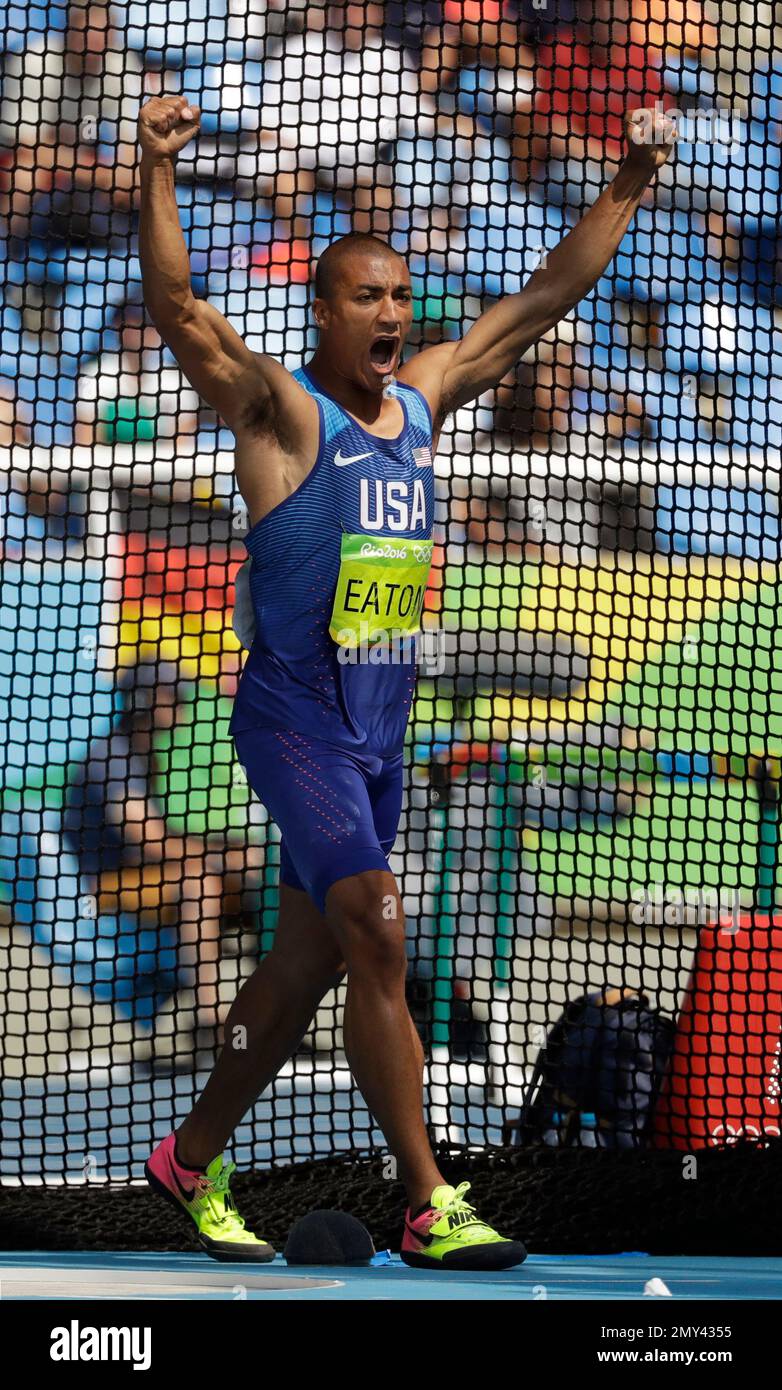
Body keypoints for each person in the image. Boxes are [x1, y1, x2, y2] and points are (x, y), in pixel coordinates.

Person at [138, 92, 675, 1267]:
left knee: (307, 961)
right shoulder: (282, 415)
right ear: (321, 312)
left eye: (397, 296)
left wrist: (629, 178)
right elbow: (176, 307)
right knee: (379, 928)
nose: (390, 313)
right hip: (292, 722)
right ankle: (429, 1198)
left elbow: (541, 301)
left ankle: (188, 1155)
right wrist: (158, 167)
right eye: (365, 297)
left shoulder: (423, 403)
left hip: (380, 732)